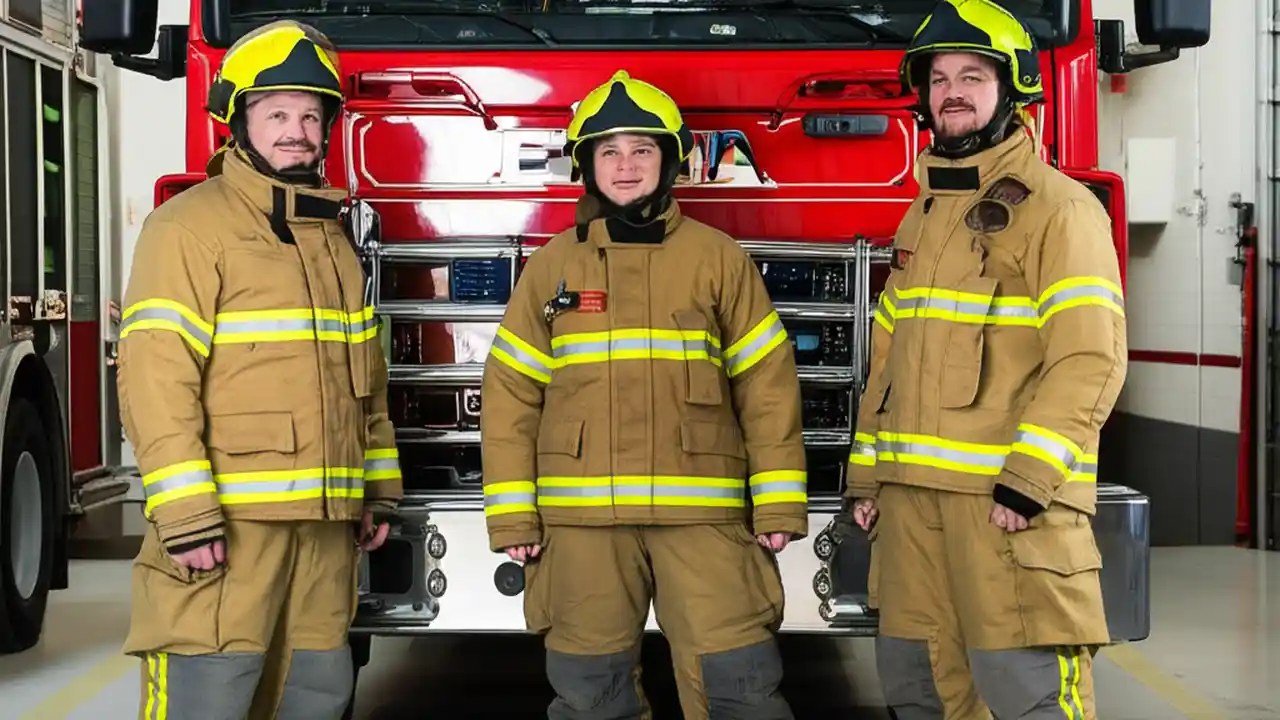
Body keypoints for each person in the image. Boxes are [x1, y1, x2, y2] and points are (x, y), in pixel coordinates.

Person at [480, 69, 806, 719]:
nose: (625, 167)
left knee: (739, 689)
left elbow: (767, 387)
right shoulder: (552, 266)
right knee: (590, 694)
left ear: (670, 161)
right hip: (582, 533)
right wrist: (514, 517)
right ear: (586, 166)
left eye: (641, 150)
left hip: (705, 525)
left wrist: (777, 506)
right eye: (609, 151)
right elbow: (510, 393)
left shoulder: (718, 260)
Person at [845, 1, 1128, 718]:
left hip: (1006, 511)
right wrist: (869, 475)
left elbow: (1090, 358)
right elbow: (890, 360)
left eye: (973, 75)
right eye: (939, 78)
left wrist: (1030, 479)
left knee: (1028, 694)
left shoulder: (1060, 212)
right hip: (911, 511)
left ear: (1015, 90)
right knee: (921, 693)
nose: (953, 92)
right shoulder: (927, 213)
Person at [116, 20, 401, 719]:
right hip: (229, 533)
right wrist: (185, 513)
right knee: (210, 699)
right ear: (237, 123)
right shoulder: (188, 227)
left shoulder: (330, 238)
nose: (297, 130)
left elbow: (364, 379)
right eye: (276, 113)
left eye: (311, 115)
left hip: (326, 533)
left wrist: (377, 489)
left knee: (316, 697)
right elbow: (156, 377)